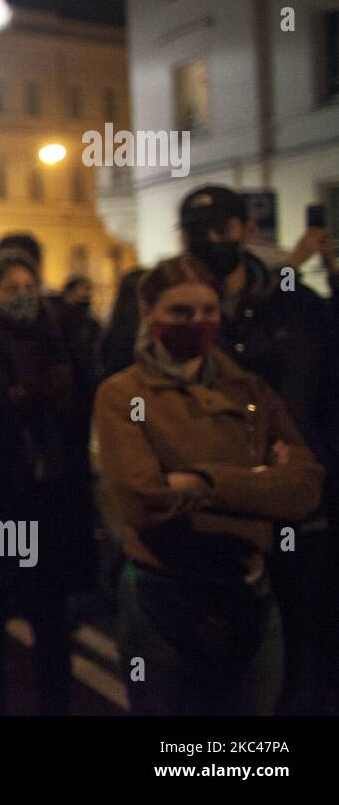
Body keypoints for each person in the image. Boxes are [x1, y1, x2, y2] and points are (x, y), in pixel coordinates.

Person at [92, 255, 323, 714]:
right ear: (149, 314)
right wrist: (258, 481)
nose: (197, 322)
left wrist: (199, 482)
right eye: (181, 312)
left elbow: (303, 488)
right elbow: (143, 501)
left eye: (208, 311)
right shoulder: (124, 394)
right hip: (165, 595)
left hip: (250, 590)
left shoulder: (248, 388)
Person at [178, 185, 338, 713]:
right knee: (226, 669)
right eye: (198, 234)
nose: (211, 243)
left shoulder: (297, 306)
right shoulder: (175, 313)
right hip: (217, 517)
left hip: (300, 514)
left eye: (221, 231)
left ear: (246, 230)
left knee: (304, 656)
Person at [0, 248, 96, 714]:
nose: (22, 297)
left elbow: (84, 400)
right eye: (10, 289)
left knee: (52, 615)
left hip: (55, 495)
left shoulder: (60, 333)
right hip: (4, 498)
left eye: (28, 287)